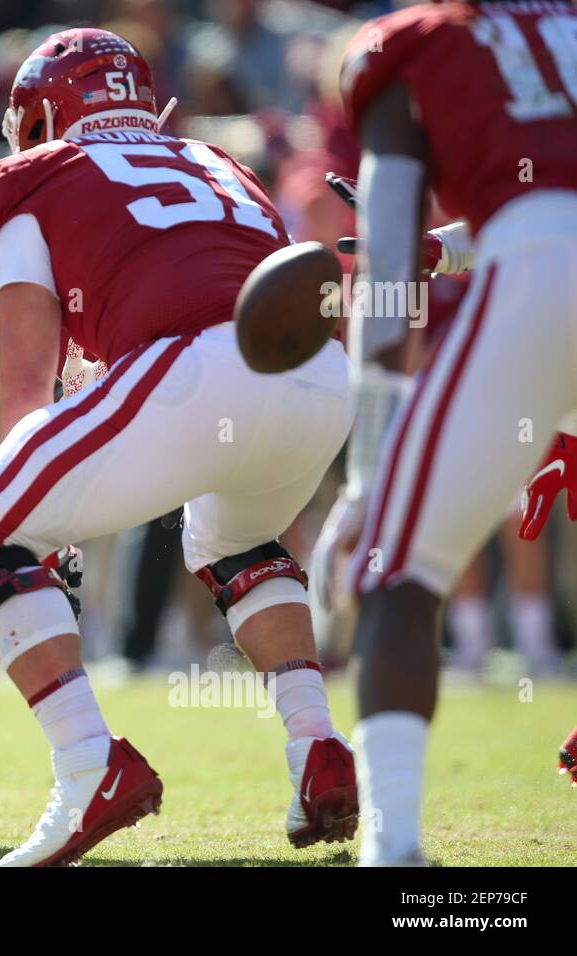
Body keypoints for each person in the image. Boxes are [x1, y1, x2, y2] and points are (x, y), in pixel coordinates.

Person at [0, 27, 358, 867]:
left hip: (198, 367)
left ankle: (90, 766)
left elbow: (24, 379)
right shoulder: (215, 161)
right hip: (317, 374)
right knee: (234, 540)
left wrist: (37, 530)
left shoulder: (29, 177)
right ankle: (317, 745)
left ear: (44, 113)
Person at [334, 0, 577, 864]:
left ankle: (393, 846)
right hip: (541, 253)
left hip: (540, 285)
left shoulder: (413, 47)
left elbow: (390, 279)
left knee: (397, 569)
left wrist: (368, 469)